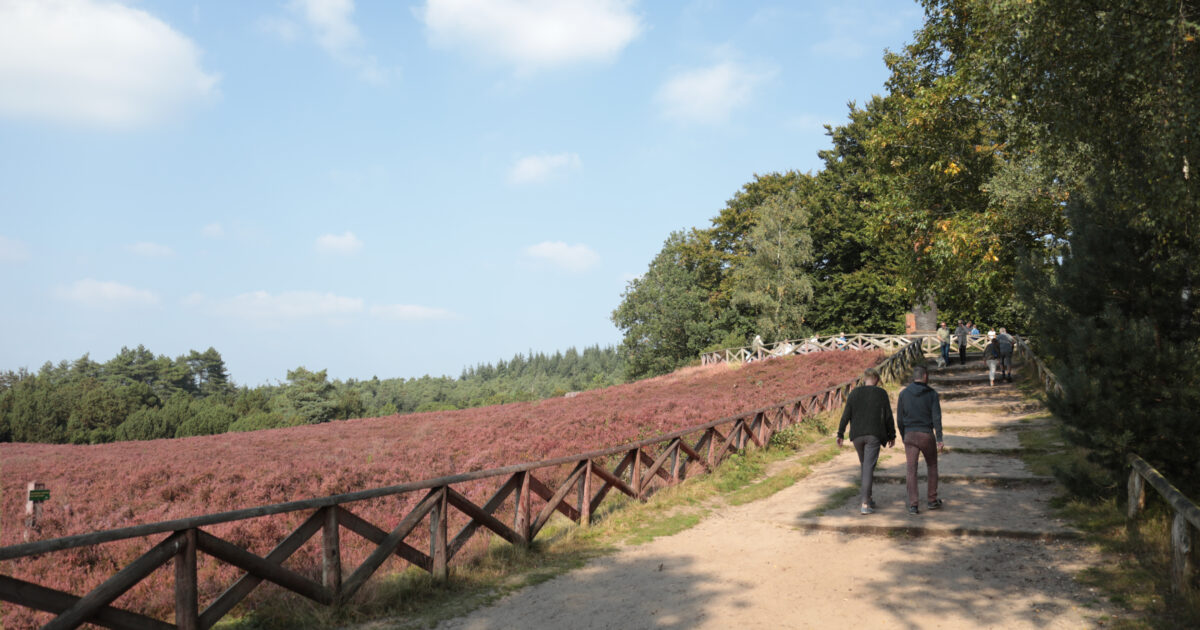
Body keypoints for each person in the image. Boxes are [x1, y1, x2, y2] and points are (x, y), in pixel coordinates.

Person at [836, 368, 896, 515]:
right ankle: (864, 504)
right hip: (873, 435)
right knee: (868, 467)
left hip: (857, 436)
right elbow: (888, 415)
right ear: (876, 379)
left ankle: (868, 498)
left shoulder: (854, 393)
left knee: (865, 466)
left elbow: (846, 415)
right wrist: (891, 435)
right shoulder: (881, 393)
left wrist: (840, 433)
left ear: (864, 379)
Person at [897, 365, 944, 514]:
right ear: (924, 376)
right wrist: (939, 438)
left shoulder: (903, 394)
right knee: (932, 466)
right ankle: (931, 500)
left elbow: (899, 418)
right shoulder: (932, 394)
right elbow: (936, 417)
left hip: (910, 434)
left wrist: (904, 434)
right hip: (926, 434)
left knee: (911, 469)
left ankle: (913, 504)